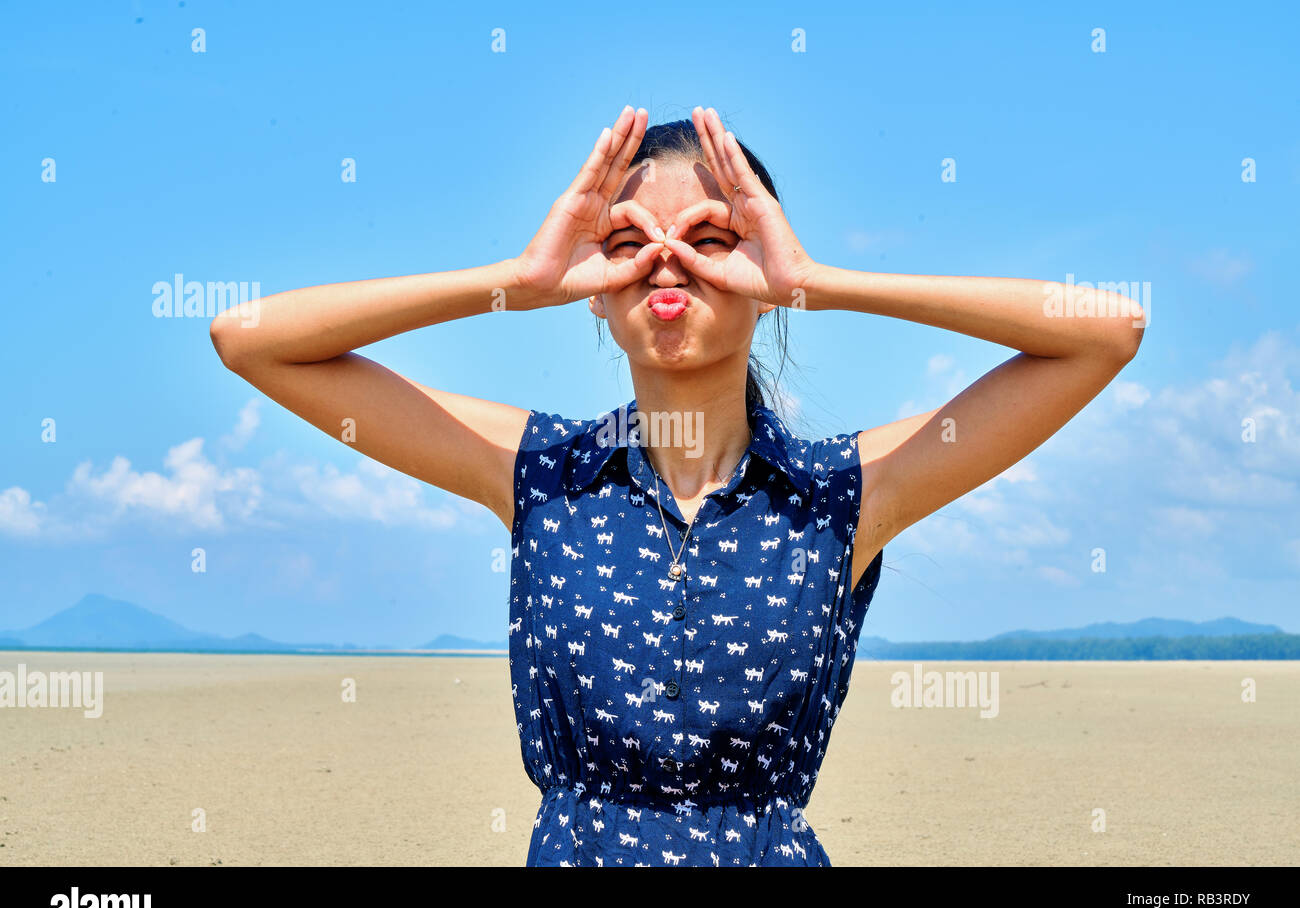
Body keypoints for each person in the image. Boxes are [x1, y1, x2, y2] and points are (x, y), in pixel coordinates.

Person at [209, 105, 1145, 866]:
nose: (668, 263)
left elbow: (1108, 332)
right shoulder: (542, 473)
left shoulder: (841, 494)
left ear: (762, 270)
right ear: (597, 278)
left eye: (710, 237)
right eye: (628, 240)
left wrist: (819, 280)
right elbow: (248, 338)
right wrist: (516, 278)